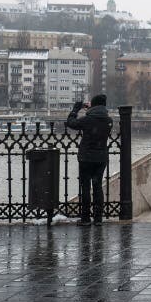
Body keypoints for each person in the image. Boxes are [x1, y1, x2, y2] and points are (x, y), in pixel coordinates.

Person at [66, 94, 113, 226]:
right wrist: (91, 109)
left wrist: (76, 109)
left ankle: (85, 218)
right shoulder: (109, 120)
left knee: (85, 187)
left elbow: (71, 123)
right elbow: (97, 118)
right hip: (101, 158)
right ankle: (98, 219)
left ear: (94, 104)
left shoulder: (87, 120)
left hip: (86, 158)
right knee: (98, 187)